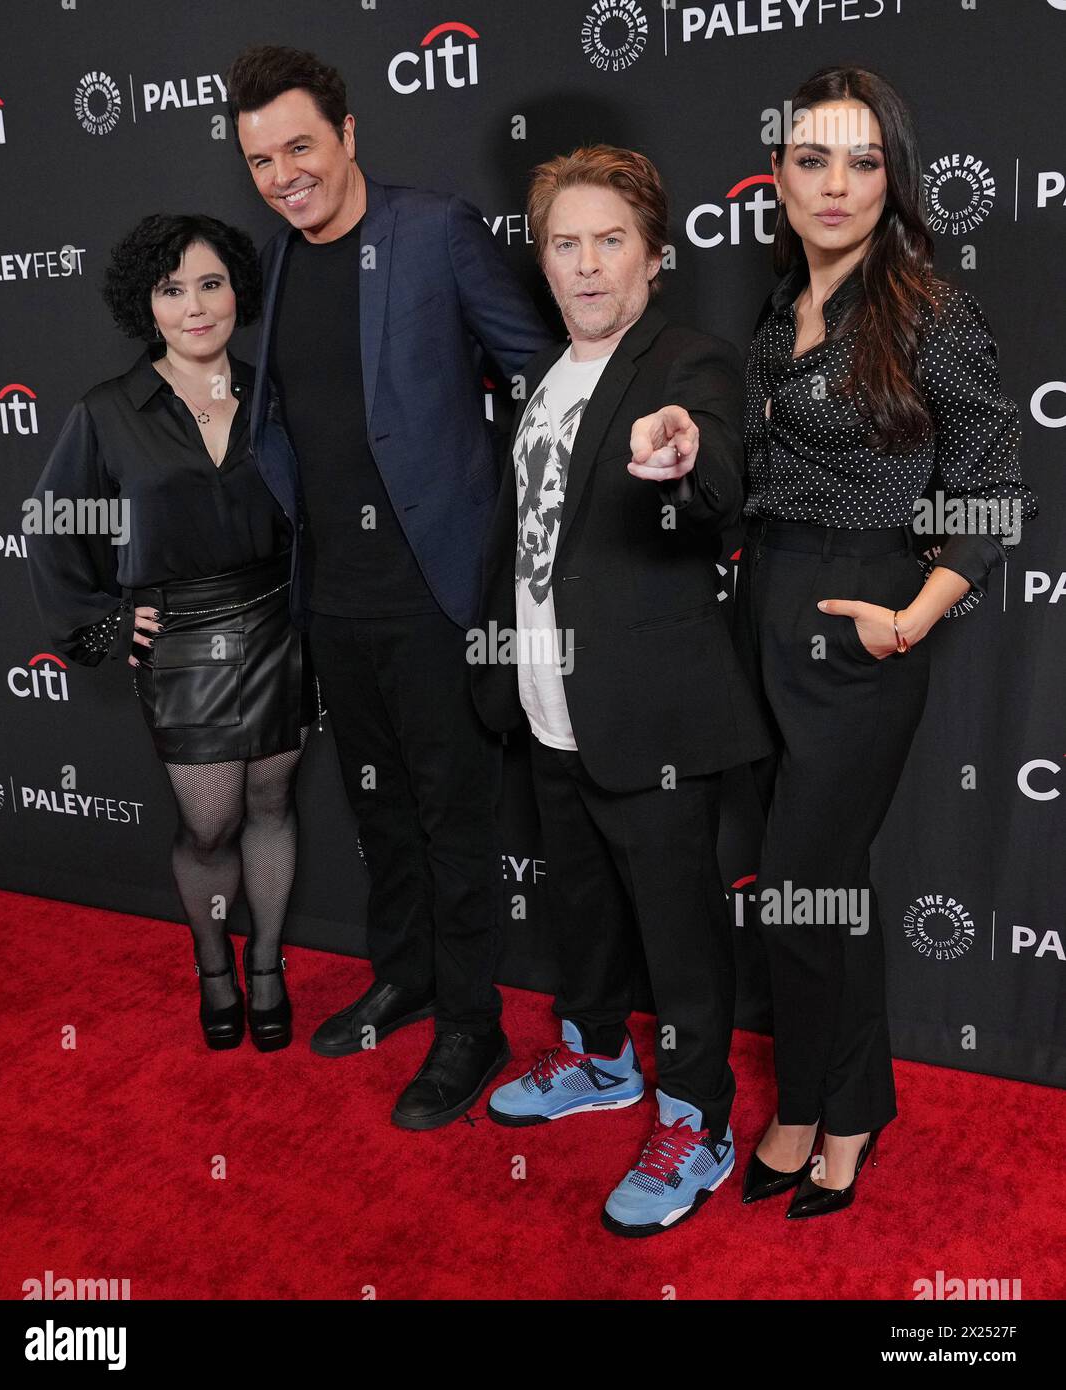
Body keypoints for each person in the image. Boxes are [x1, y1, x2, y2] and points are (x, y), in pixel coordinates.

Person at [637, 65, 1038, 1218]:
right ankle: (828, 1098)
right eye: (811, 158)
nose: (835, 182)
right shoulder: (779, 306)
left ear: (892, 178)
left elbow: (990, 487)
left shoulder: (926, 312)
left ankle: (828, 1108)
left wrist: (912, 613)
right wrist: (685, 454)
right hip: (761, 600)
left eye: (863, 160)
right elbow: (756, 473)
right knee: (811, 889)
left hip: (858, 614)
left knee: (809, 884)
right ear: (776, 173)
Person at [226, 44, 555, 1127]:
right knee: (381, 813)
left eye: (300, 147)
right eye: (261, 159)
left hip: (435, 594)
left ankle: (471, 1020)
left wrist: (508, 539)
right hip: (331, 597)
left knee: (457, 821)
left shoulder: (433, 232)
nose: (282, 174)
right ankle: (405, 975)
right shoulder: (273, 261)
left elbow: (539, 379)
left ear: (349, 132)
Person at [472, 146, 773, 1236]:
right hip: (554, 709)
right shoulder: (544, 377)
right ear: (542, 260)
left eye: (610, 241)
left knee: (680, 933)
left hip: (652, 715)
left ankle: (696, 1115)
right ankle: (598, 1057)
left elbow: (716, 463)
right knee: (583, 913)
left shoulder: (688, 361)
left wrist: (684, 456)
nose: (588, 264)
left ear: (654, 256)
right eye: (565, 243)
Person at [27, 214, 320, 1054]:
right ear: (145, 305)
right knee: (208, 828)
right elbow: (52, 523)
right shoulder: (109, 410)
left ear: (238, 292)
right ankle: (214, 965)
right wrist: (105, 621)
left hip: (277, 623)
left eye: (211, 284)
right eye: (171, 289)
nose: (195, 307)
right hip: (182, 640)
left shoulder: (275, 393)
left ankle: (264, 964)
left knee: (273, 801)